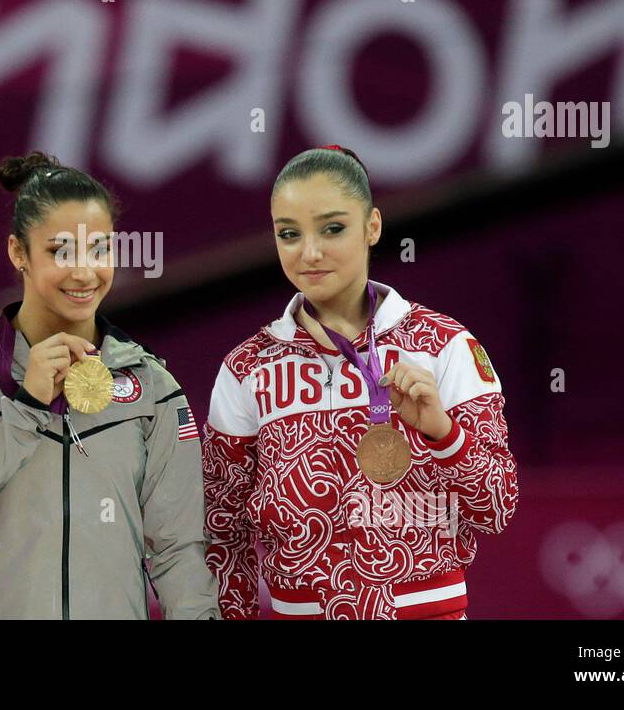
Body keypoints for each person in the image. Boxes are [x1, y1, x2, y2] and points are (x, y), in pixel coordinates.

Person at [203, 146, 519, 620]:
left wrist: (442, 433)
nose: (310, 252)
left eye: (333, 228)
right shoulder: (247, 368)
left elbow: (497, 508)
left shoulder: (443, 344)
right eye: (289, 234)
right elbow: (220, 531)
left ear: (372, 226)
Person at [0, 151, 219, 619]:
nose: (84, 272)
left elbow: (178, 550)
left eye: (99, 250)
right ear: (19, 252)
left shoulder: (151, 385)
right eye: (61, 251)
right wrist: (27, 404)